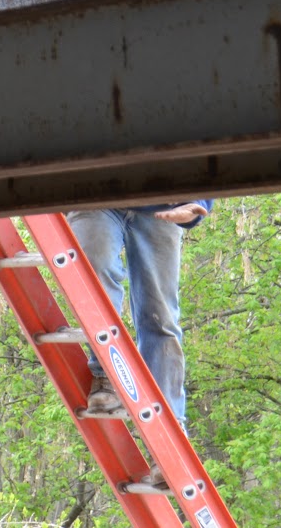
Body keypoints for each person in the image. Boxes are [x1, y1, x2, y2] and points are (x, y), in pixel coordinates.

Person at [67, 200, 212, 481]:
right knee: (93, 282)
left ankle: (169, 436)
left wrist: (199, 202)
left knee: (160, 317)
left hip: (161, 206)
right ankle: (106, 375)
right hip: (96, 198)